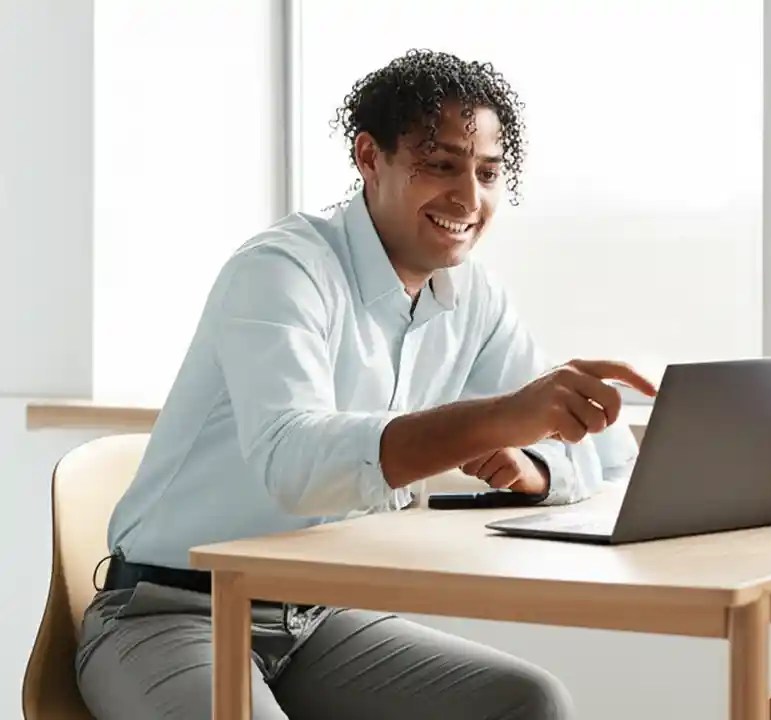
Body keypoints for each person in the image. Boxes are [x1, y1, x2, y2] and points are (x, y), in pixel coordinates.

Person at [75, 49, 656, 720]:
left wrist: (532, 465)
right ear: (368, 156)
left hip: (317, 624)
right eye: (441, 165)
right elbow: (295, 466)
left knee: (526, 703)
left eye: (488, 173)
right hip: (169, 613)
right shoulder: (282, 271)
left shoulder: (473, 300)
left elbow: (602, 460)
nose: (469, 198)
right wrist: (499, 419)